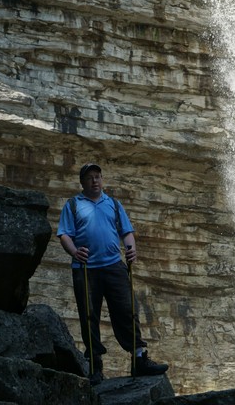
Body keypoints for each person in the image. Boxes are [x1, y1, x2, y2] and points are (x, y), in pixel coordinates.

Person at [57, 163, 168, 384]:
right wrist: (74, 251)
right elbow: (64, 235)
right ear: (82, 182)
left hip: (114, 266)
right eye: (90, 178)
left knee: (128, 310)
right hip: (86, 269)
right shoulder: (73, 205)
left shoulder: (114, 204)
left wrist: (131, 249)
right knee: (89, 316)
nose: (95, 181)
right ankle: (95, 366)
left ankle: (139, 359)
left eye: (98, 176)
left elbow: (126, 232)